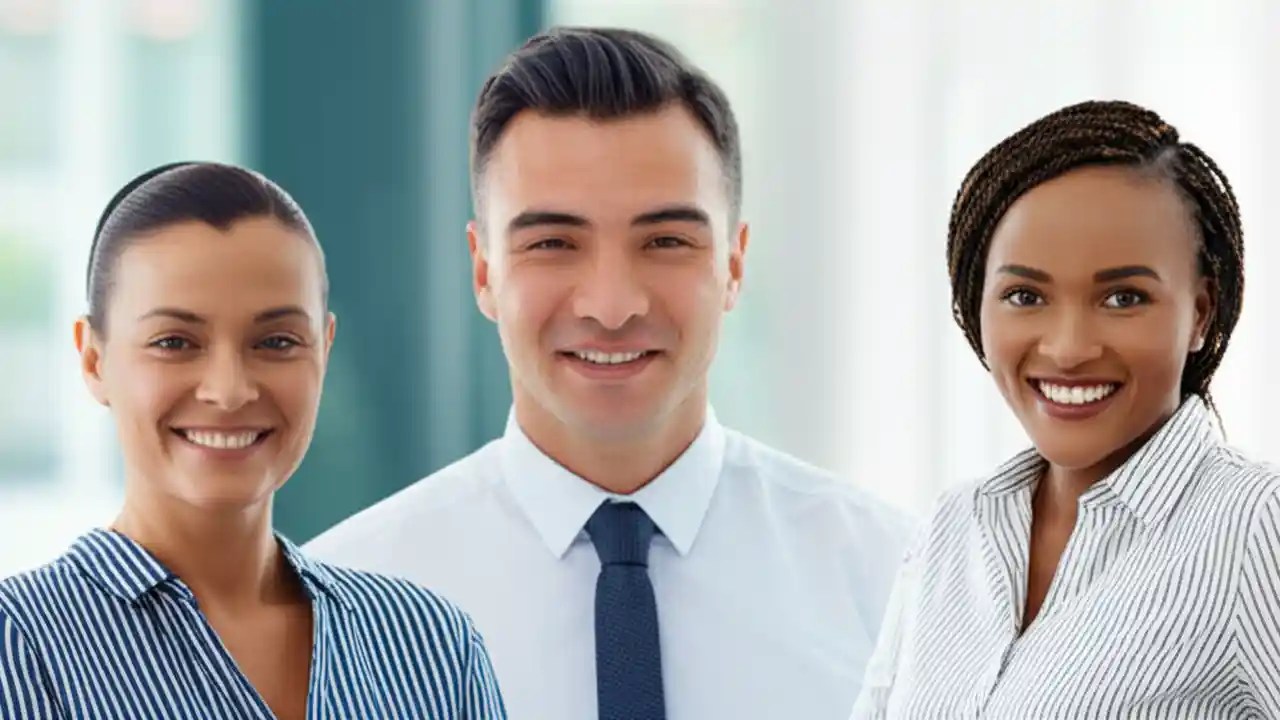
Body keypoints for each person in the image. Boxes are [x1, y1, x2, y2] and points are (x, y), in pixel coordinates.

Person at [306, 26, 914, 720]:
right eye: (553, 243)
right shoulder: (339, 609)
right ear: (484, 271)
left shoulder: (897, 581)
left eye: (665, 241)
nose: (613, 305)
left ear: (734, 264)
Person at [0, 162, 506, 719]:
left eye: (276, 341)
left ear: (324, 350)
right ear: (94, 359)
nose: (229, 390)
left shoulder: (431, 650)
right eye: (174, 342)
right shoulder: (21, 647)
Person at [852, 100, 1280, 718]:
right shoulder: (954, 529)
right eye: (1025, 295)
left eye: (1124, 297)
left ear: (1201, 314)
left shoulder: (1255, 531)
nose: (1069, 349)